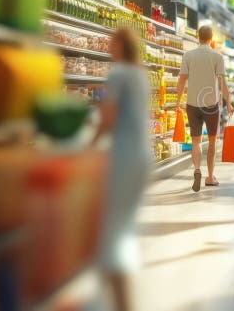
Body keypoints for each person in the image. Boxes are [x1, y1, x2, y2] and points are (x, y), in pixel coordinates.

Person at [90, 28, 151, 311]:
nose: (106, 45)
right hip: (142, 156)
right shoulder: (141, 75)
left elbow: (108, 118)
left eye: (110, 41)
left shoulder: (117, 74)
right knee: (121, 225)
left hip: (124, 156)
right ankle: (105, 300)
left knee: (113, 231)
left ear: (120, 45)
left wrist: (89, 145)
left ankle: (119, 303)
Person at [177, 25, 233, 192]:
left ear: (197, 37)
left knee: (196, 141)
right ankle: (210, 176)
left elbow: (181, 80)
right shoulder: (217, 56)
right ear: (211, 39)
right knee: (213, 140)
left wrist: (178, 101)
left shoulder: (188, 55)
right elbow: (222, 83)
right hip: (211, 105)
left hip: (192, 103)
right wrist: (228, 102)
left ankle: (196, 170)